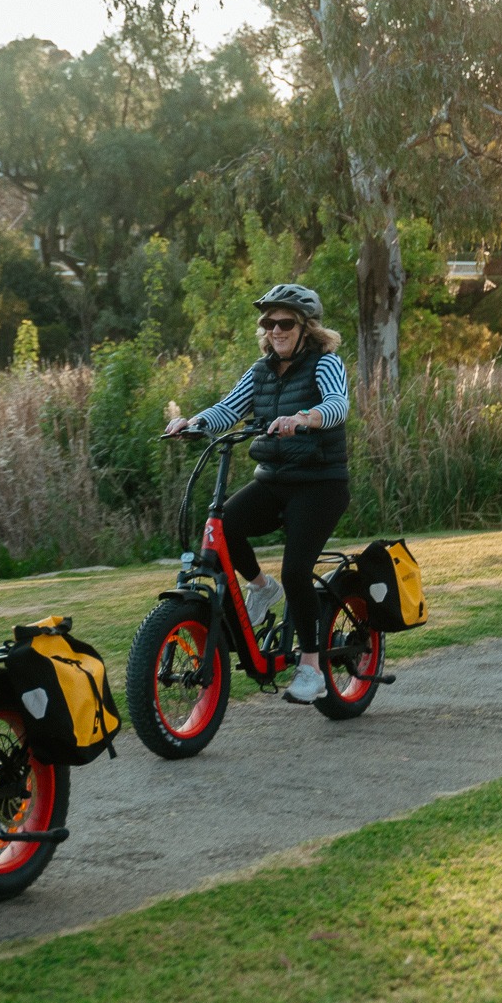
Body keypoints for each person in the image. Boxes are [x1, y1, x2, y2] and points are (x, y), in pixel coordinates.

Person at [164, 284, 351, 704]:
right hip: (274, 479)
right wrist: (192, 423)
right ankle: (260, 588)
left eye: (285, 322)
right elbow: (228, 410)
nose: (275, 329)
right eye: (269, 323)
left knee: (296, 570)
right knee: (223, 527)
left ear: (306, 327)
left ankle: (311, 667)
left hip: (320, 483)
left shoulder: (325, 362)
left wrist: (305, 417)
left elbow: (339, 404)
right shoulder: (260, 371)